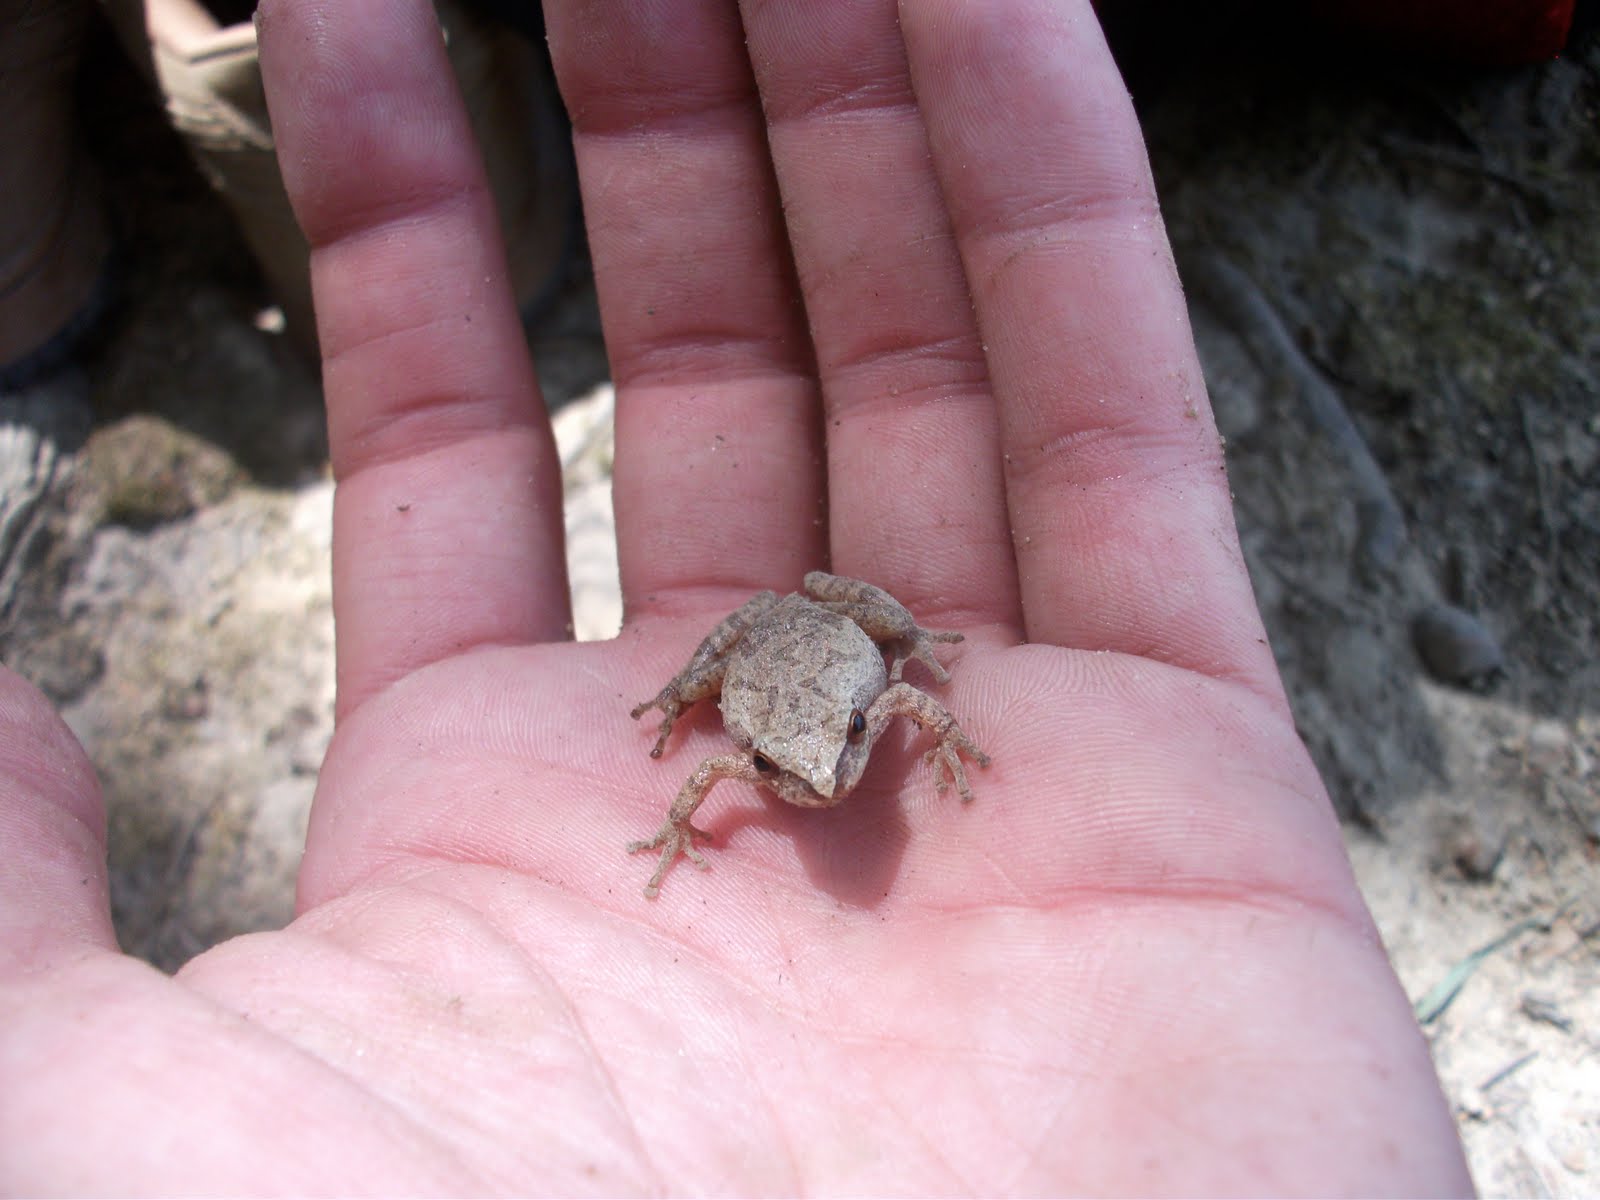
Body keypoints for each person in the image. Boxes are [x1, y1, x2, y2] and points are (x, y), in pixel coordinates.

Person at [0, 0, 1473, 1192]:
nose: (817, 789)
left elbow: (889, 684)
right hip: (766, 647)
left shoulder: (852, 736)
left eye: (817, 769)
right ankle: (691, 672)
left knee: (881, 622)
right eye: (797, 773)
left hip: (828, 634)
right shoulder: (763, 762)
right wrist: (678, 771)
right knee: (709, 671)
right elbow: (726, 766)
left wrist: (932, 722)